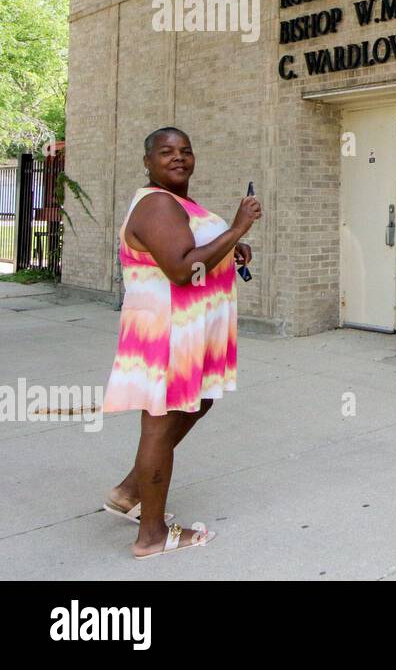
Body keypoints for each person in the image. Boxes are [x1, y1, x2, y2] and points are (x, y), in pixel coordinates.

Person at [100, 126, 261, 558]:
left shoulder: (179, 205)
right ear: (147, 161)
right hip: (168, 331)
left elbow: (194, 249)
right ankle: (151, 534)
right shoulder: (156, 205)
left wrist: (230, 247)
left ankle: (130, 490)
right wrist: (238, 226)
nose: (178, 157)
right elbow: (181, 268)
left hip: (192, 333)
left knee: (201, 401)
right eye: (166, 151)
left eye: (185, 151)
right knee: (160, 421)